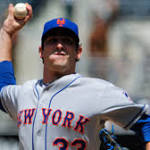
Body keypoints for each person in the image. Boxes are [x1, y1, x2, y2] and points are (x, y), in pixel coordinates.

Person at [0, 3, 150, 150]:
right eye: (52, 41)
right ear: (41, 52)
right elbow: (3, 88)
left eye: (67, 41)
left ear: (78, 52)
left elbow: (146, 123)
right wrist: (7, 33)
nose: (59, 45)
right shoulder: (25, 93)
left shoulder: (98, 91)